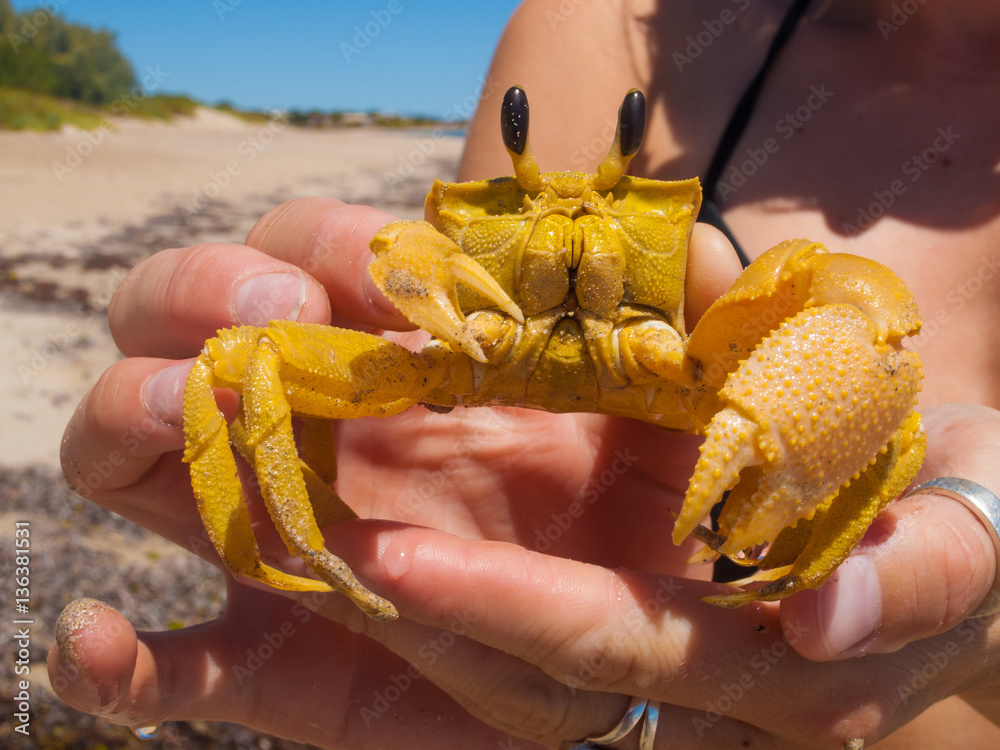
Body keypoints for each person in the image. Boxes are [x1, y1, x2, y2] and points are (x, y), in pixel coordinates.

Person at [49, 0, 1000, 747]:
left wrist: (971, 631)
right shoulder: (594, 27)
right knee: (245, 355)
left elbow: (885, 403)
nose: (568, 250)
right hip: (458, 534)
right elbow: (288, 353)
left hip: (692, 388)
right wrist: (328, 553)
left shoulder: (771, 320)